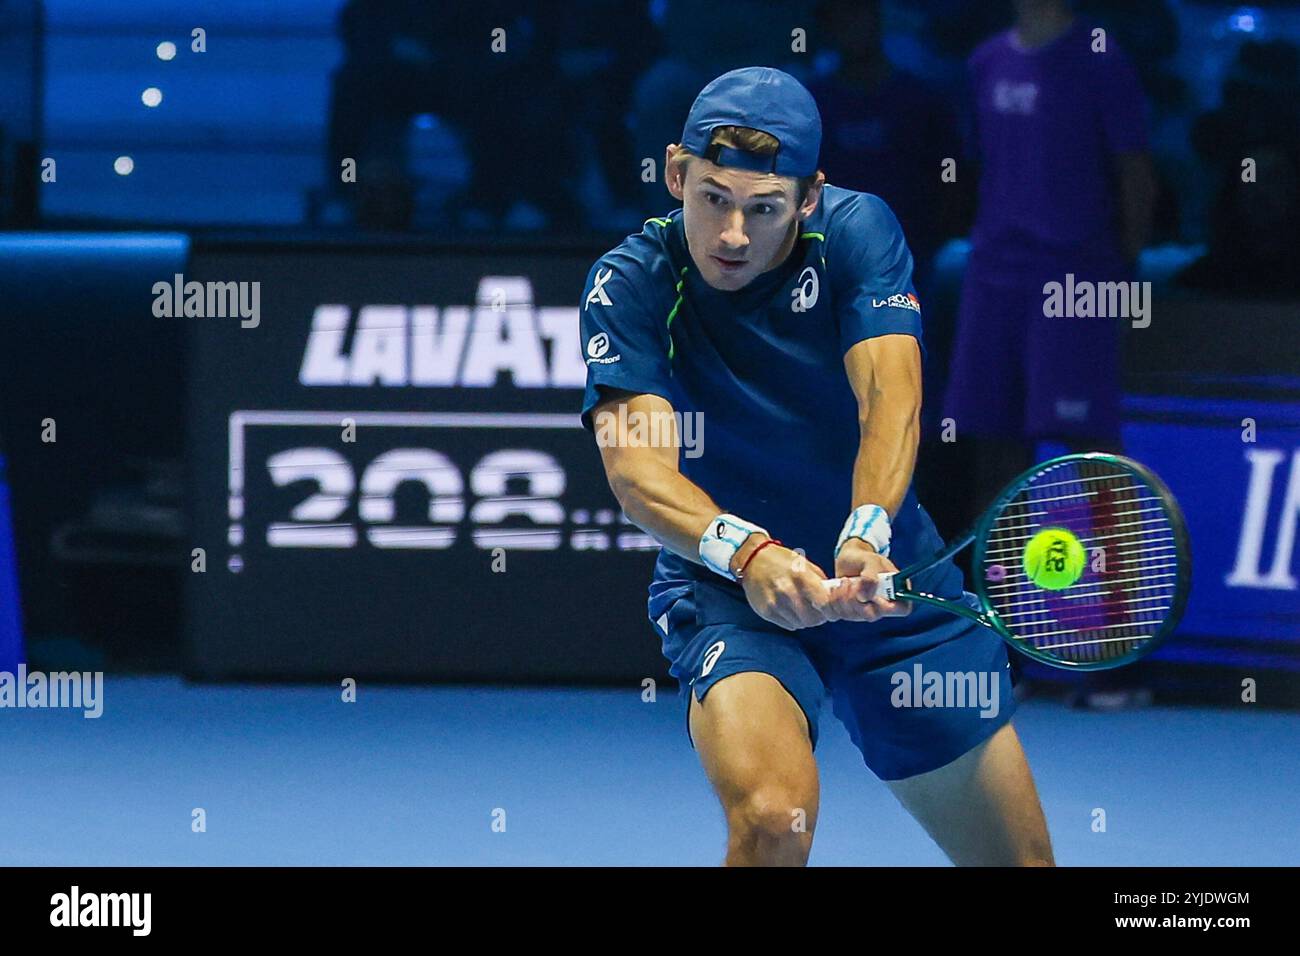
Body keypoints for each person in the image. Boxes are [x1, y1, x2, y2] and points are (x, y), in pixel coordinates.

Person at [578, 67, 1053, 866]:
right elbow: (638, 471)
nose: (732, 236)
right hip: (731, 589)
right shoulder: (631, 281)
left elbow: (890, 400)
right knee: (771, 818)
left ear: (807, 198)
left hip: (888, 584)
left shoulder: (858, 233)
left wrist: (866, 532)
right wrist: (748, 552)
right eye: (713, 199)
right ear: (674, 174)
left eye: (763, 209)